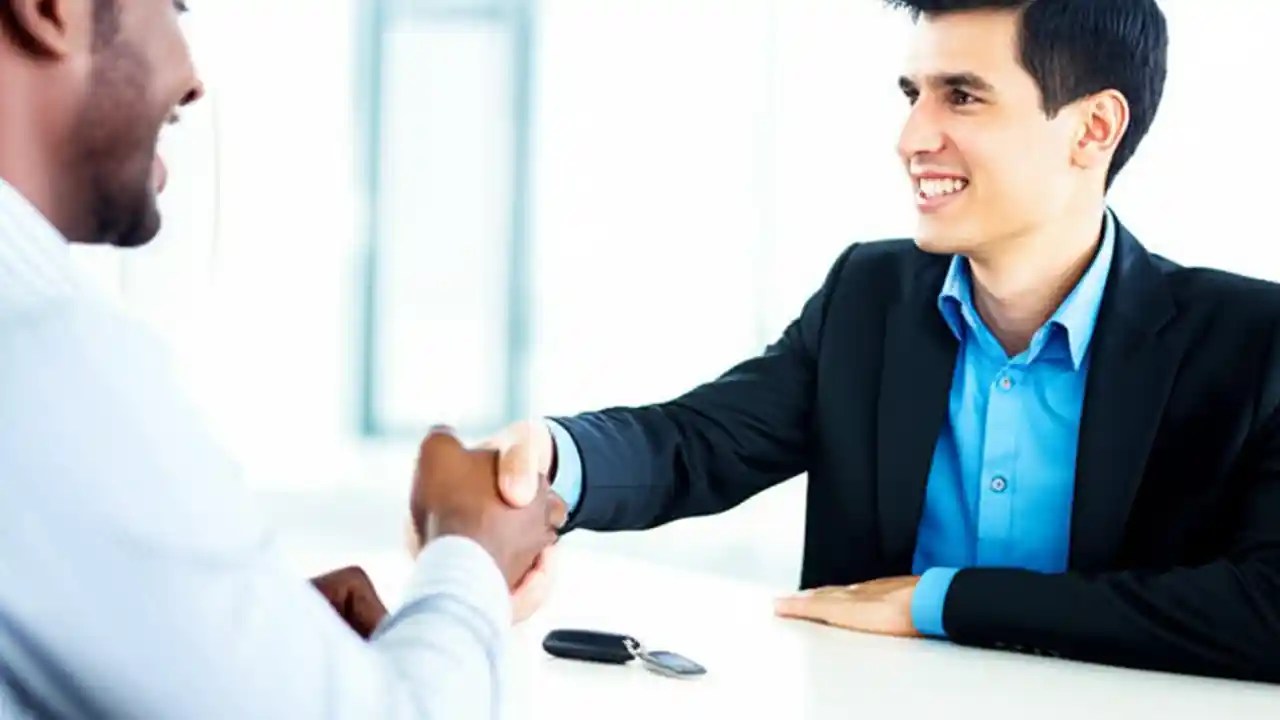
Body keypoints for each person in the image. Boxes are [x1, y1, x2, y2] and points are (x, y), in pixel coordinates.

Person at [481, 0, 1280, 683]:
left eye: (962, 97)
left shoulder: (1251, 344)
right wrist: (552, 461)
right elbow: (698, 441)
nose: (911, 137)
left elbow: (1266, 608)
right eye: (913, 93)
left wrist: (939, 601)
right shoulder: (870, 297)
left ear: (1092, 128)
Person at [0, 1, 564, 717]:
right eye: (174, 7)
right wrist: (469, 554)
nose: (194, 80)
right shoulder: (50, 357)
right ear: (54, 11)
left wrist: (235, 650)